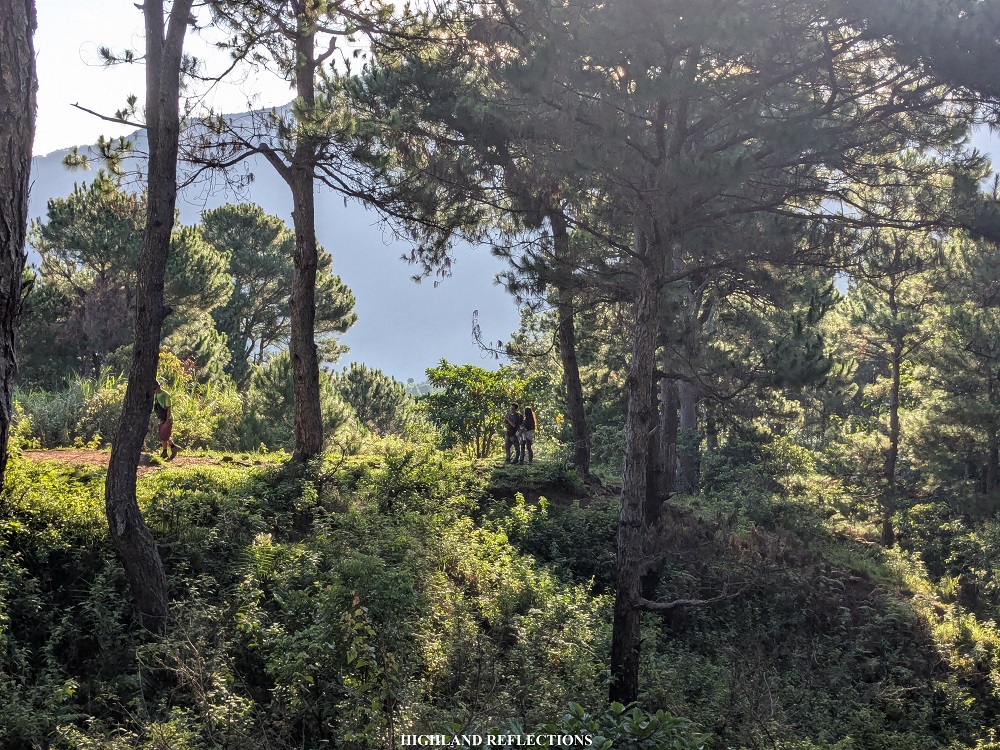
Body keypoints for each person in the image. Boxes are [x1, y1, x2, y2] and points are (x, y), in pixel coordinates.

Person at [153, 381, 179, 460]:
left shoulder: (166, 395)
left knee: (164, 436)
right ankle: (174, 448)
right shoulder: (155, 395)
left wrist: (167, 421)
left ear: (159, 387)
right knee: (164, 436)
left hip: (167, 418)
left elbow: (169, 409)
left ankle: (165, 452)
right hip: (161, 418)